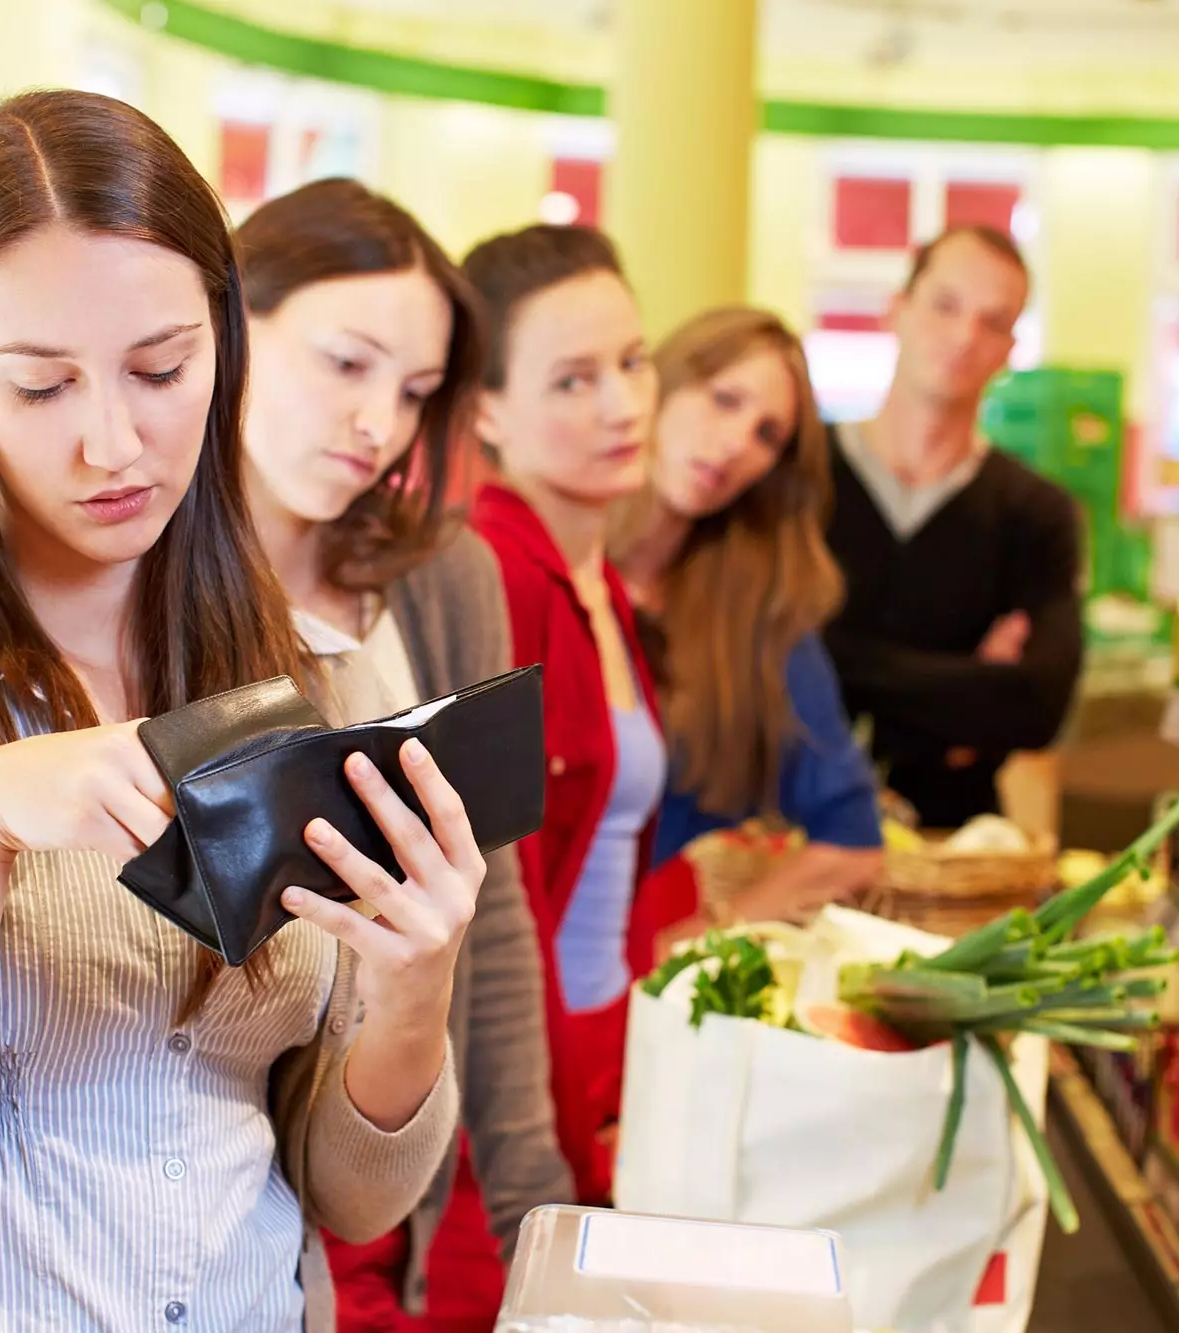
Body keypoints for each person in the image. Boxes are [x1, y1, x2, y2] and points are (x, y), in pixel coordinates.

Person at [0, 92, 478, 1333]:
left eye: (162, 369)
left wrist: (419, 980)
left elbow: (352, 1195)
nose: (114, 442)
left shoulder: (324, 679)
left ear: (223, 343)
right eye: (42, 385)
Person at [230, 178, 572, 1331]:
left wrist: (533, 1202)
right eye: (345, 364)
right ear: (226, 323)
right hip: (209, 1186)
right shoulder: (136, 584)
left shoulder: (442, 575)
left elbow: (499, 902)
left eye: (415, 391)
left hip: (386, 1149)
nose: (378, 421)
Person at [461, 225, 663, 1208]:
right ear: (485, 408)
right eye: (572, 381)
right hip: (536, 1072)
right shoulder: (496, 575)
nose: (622, 405)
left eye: (632, 363)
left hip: (608, 1042)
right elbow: (494, 899)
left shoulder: (596, 577)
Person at [612, 307, 883, 951]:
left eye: (766, 435)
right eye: (723, 399)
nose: (735, 444)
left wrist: (691, 945)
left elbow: (854, 846)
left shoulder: (760, 614)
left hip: (631, 981)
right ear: (660, 383)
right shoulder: (546, 565)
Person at [823, 224, 1084, 831]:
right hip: (781, 832)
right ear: (897, 310)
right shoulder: (801, 479)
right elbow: (766, 662)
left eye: (993, 322)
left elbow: (1039, 708)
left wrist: (838, 662)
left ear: (1010, 349)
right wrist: (969, 689)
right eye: (945, 306)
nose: (965, 336)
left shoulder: (1036, 512)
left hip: (954, 847)